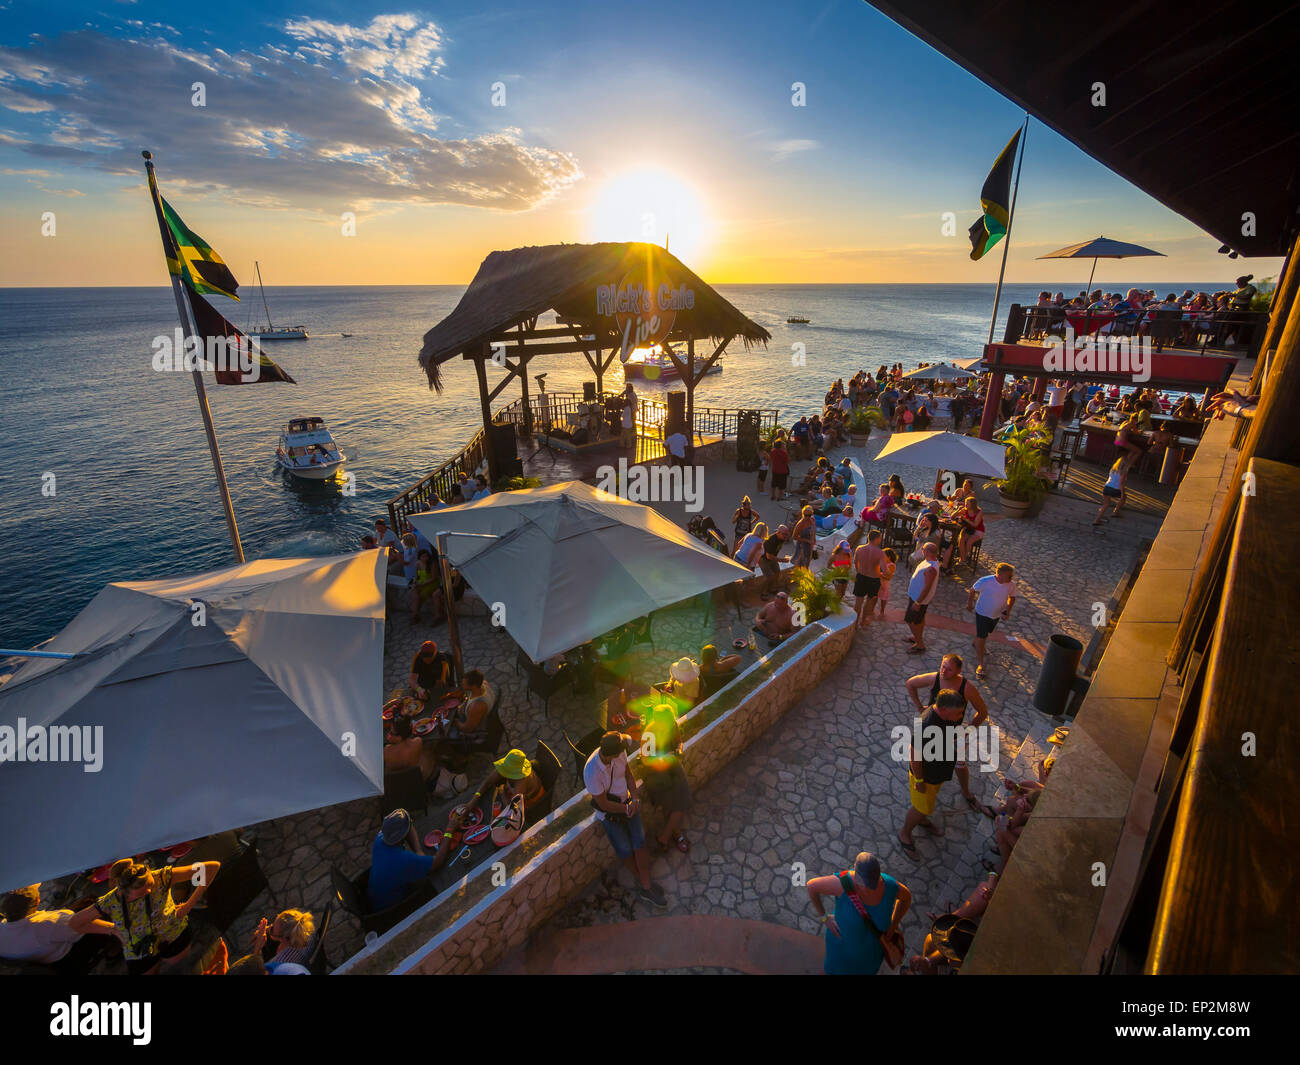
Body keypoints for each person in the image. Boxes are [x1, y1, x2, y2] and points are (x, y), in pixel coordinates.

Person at [68, 856, 221, 975]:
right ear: (125, 893)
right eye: (143, 893)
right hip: (139, 951)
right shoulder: (110, 902)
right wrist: (112, 930)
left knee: (179, 969)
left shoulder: (160, 877)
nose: (150, 891)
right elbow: (74, 923)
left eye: (150, 886)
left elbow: (212, 867)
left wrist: (189, 905)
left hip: (173, 933)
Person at [904, 653, 996, 816]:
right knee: (923, 759)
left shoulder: (966, 687)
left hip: (953, 736)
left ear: (958, 672)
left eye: (949, 669)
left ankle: (966, 792)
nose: (944, 671)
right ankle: (924, 790)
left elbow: (982, 712)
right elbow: (910, 683)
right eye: (943, 666)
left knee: (959, 764)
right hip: (932, 730)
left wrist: (966, 733)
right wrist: (920, 707)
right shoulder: (935, 678)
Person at [585, 732, 667, 907]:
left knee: (640, 841)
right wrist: (625, 809)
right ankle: (644, 883)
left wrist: (635, 798)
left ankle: (646, 884)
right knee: (624, 849)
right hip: (610, 814)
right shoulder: (591, 771)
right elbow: (604, 803)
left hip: (628, 802)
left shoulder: (619, 752)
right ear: (611, 754)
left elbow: (628, 774)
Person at [807, 852, 911, 975]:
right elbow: (811, 886)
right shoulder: (842, 884)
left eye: (873, 885)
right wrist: (825, 918)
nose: (868, 889)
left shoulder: (890, 886)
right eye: (865, 885)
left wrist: (893, 924)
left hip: (871, 956)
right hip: (842, 953)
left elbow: (906, 898)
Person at [897, 689, 968, 860]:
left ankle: (922, 820)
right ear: (944, 710)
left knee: (928, 803)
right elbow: (914, 756)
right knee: (921, 807)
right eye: (957, 713)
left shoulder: (945, 716)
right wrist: (920, 780)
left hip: (937, 773)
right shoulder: (926, 726)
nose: (960, 717)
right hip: (925, 778)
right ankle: (905, 833)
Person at [368, 807, 465, 911]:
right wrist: (449, 830)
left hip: (376, 894)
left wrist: (418, 850)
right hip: (390, 907)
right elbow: (437, 862)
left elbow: (409, 826)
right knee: (436, 883)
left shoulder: (380, 838)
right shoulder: (404, 859)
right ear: (401, 838)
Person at [0, 886, 97, 973]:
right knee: (91, 904)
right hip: (63, 961)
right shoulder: (47, 924)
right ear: (38, 900)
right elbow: (78, 927)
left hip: (32, 962)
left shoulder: (3, 928)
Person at [641, 701, 694, 853]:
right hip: (657, 773)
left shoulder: (672, 725)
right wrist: (663, 758)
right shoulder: (649, 733)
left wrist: (679, 750)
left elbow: (679, 742)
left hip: (674, 768)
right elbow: (645, 759)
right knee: (668, 806)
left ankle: (664, 837)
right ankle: (676, 836)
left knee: (683, 802)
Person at [468, 749, 548, 827]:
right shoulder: (508, 768)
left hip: (529, 802)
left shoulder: (521, 781)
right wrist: (474, 799)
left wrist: (502, 793)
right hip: (513, 796)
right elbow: (487, 782)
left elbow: (514, 810)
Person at [965, 564, 1017, 678]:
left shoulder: (1011, 585)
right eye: (1009, 576)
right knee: (983, 637)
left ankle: (977, 641)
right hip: (982, 613)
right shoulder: (986, 581)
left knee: (986, 633)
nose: (1011, 578)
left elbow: (1012, 597)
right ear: (999, 574)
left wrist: (1008, 611)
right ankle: (981, 665)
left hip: (996, 615)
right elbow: (972, 590)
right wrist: (969, 604)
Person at [903, 542, 941, 654]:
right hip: (916, 597)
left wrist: (918, 602)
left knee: (911, 621)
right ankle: (916, 637)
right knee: (919, 620)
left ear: (928, 552)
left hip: (918, 599)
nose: (921, 550)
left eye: (923, 549)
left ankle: (920, 644)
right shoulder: (929, 562)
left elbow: (927, 587)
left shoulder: (931, 568)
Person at [853, 529, 885, 629]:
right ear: (877, 539)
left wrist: (859, 571)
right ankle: (863, 622)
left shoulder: (859, 548)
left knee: (858, 602)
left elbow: (855, 562)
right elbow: (884, 569)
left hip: (861, 576)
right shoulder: (880, 553)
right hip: (873, 579)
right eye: (880, 538)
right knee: (869, 602)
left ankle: (854, 624)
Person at [944, 496, 984, 572]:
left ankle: (963, 559)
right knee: (961, 538)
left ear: (972, 505)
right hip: (968, 529)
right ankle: (963, 559)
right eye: (965, 503)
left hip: (977, 530)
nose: (965, 505)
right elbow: (952, 517)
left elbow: (975, 524)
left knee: (969, 541)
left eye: (967, 504)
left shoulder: (979, 512)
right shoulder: (965, 510)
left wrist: (965, 519)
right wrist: (958, 511)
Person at [1094, 454, 1135, 526]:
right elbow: (1121, 484)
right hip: (1115, 489)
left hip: (1107, 487)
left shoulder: (1112, 470)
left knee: (1105, 504)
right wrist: (1122, 494)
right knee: (1124, 498)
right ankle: (1115, 511)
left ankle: (1097, 520)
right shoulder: (1123, 472)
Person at [759, 524, 791, 598]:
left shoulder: (782, 538)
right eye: (784, 534)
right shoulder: (771, 540)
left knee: (777, 572)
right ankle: (764, 592)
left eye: (787, 534)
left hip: (772, 557)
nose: (786, 536)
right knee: (769, 576)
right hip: (763, 559)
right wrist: (782, 560)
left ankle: (771, 588)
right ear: (778, 532)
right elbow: (768, 556)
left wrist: (778, 559)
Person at [876, 547, 897, 618]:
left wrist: (880, 575)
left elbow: (889, 578)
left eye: (884, 556)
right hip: (878, 583)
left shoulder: (891, 565)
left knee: (883, 598)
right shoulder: (882, 563)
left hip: (884, 584)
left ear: (889, 557)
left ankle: (882, 611)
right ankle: (872, 610)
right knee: (875, 597)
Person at [768, 436, 790, 500]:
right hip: (783, 471)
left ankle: (773, 496)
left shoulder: (772, 451)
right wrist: (785, 451)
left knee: (774, 484)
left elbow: (771, 459)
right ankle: (779, 497)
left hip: (775, 470)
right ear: (781, 446)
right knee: (782, 486)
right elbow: (787, 462)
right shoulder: (784, 453)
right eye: (784, 445)